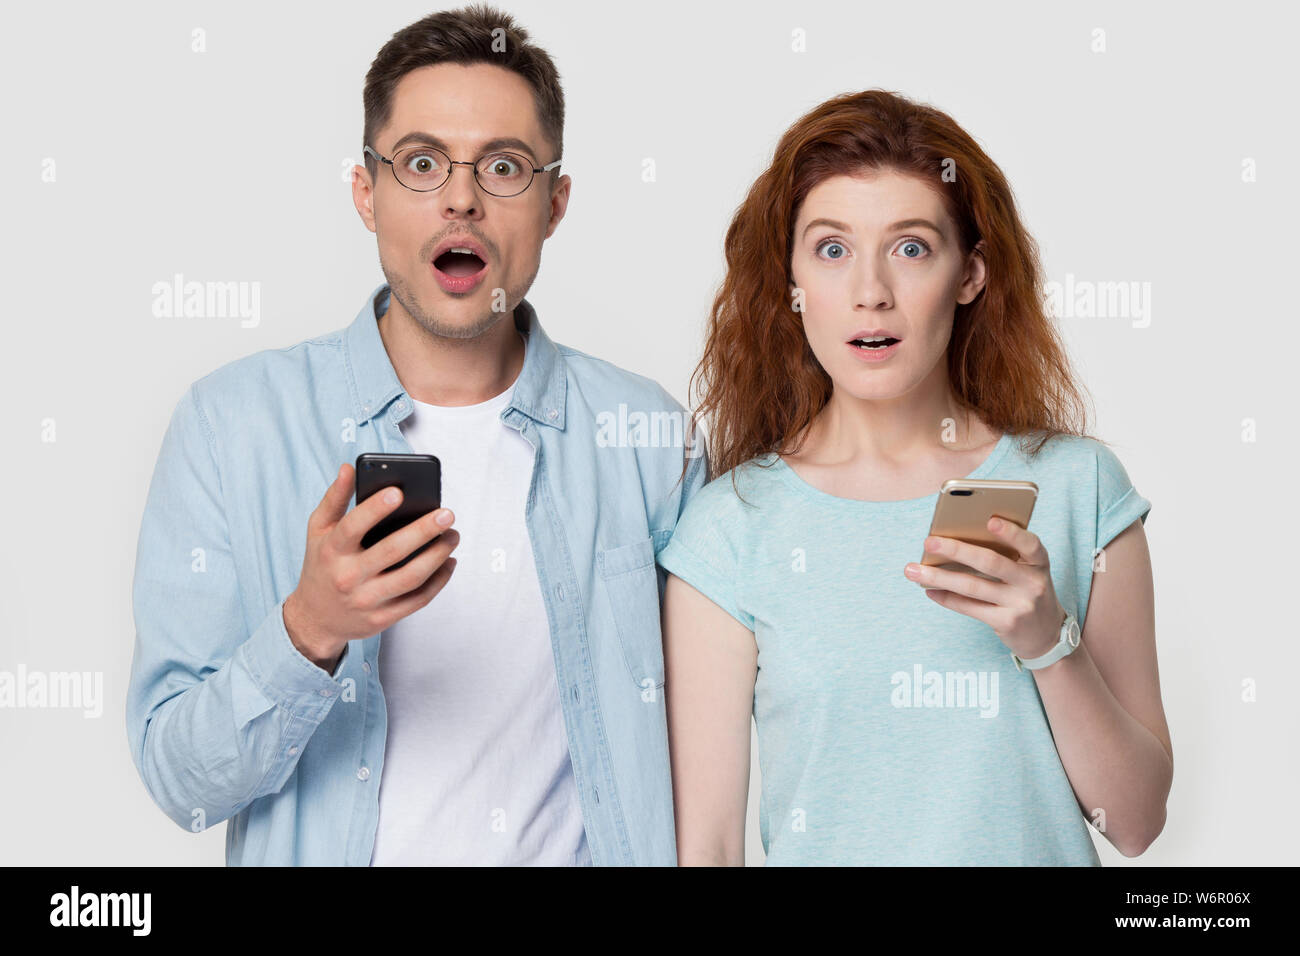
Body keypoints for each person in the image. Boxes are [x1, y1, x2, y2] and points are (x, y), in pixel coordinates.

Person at [126, 4, 705, 866]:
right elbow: (182, 783)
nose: (462, 198)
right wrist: (309, 631)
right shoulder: (231, 426)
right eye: (422, 163)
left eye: (504, 166)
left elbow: (725, 730)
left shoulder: (647, 438)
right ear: (367, 193)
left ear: (555, 203)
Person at [657, 89, 1171, 866]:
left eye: (911, 248)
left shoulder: (1079, 487)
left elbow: (1135, 823)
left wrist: (1046, 642)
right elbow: (710, 850)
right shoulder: (731, 526)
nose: (871, 291)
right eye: (832, 249)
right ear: (791, 283)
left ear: (970, 274)